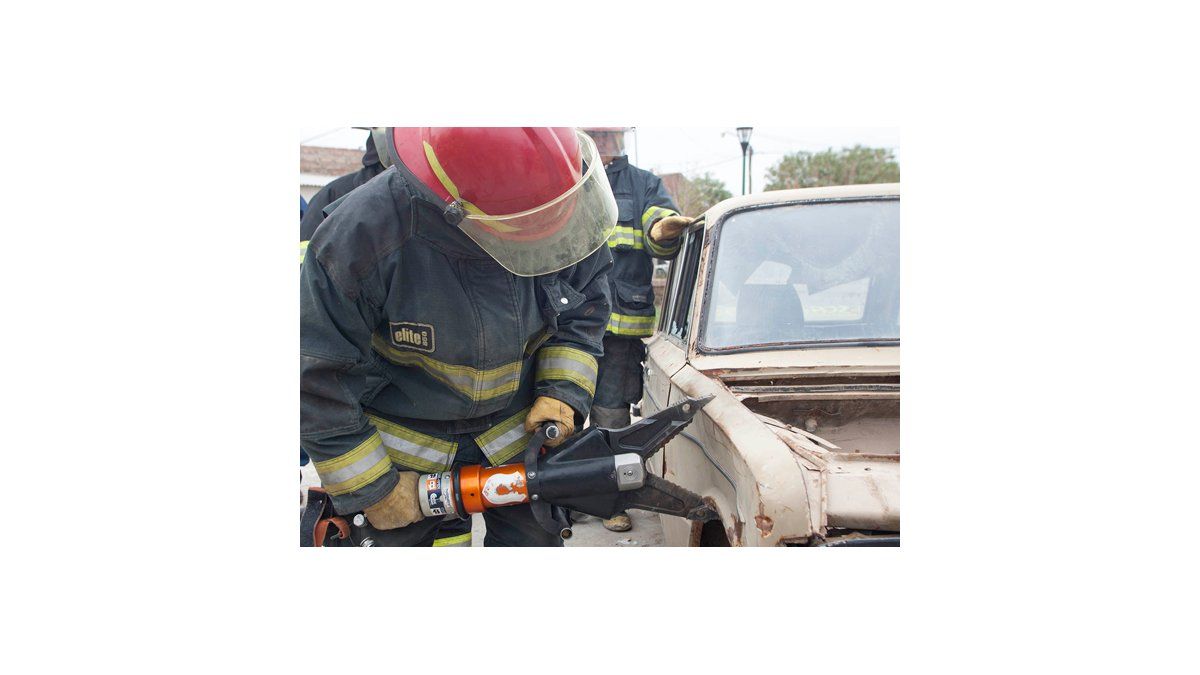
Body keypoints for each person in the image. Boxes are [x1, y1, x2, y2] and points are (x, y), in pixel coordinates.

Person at [300, 127, 615, 546]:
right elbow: (313, 372)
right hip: (401, 465)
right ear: (455, 206)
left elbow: (583, 309)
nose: (543, 233)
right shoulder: (361, 235)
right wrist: (373, 489)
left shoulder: (555, 200)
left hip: (517, 442)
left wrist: (563, 392)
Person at [580, 128, 694, 532]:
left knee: (610, 415)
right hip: (566, 322)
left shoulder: (644, 184)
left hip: (618, 329)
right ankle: (565, 495)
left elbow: (658, 225)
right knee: (558, 411)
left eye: (609, 133)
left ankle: (609, 499)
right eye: (597, 132)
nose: (604, 140)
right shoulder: (567, 177)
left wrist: (663, 229)